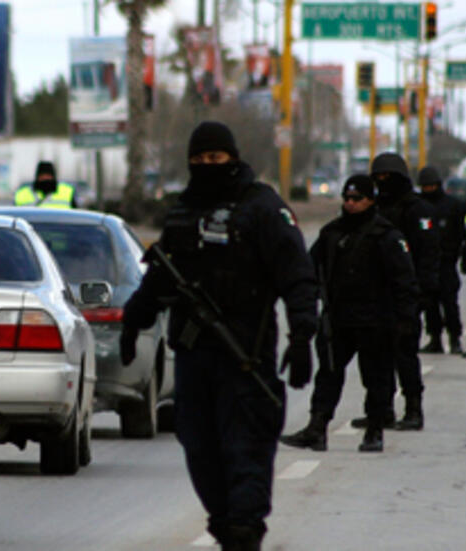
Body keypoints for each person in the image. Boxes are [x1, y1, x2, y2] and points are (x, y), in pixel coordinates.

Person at [120, 121, 317, 551]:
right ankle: (227, 523)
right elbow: (160, 276)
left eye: (215, 158)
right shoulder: (183, 210)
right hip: (194, 357)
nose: (206, 166)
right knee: (200, 449)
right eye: (198, 159)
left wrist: (303, 335)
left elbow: (297, 275)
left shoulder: (262, 207)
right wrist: (134, 319)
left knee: (246, 449)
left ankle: (244, 531)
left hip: (245, 354)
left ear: (232, 158)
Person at [280, 175, 418, 454]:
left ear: (370, 200)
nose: (351, 203)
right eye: (347, 198)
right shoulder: (332, 233)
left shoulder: (386, 236)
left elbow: (405, 282)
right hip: (338, 319)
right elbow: (309, 269)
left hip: (375, 320)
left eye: (357, 199)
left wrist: (406, 320)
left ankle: (375, 429)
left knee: (376, 377)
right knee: (328, 374)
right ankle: (317, 427)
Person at [350, 153, 439, 432]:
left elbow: (427, 254)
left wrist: (423, 294)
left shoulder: (417, 210)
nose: (382, 183)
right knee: (374, 356)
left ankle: (413, 409)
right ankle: (380, 410)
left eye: (387, 177)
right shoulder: (376, 210)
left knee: (404, 353)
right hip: (376, 295)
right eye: (378, 178)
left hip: (406, 293)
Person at [417, 166, 465, 354]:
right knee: (430, 304)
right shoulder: (418, 207)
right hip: (426, 262)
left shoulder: (453, 206)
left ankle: (455, 338)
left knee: (449, 302)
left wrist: (464, 252)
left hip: (447, 260)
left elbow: (463, 230)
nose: (428, 189)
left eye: (431, 186)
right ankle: (435, 338)